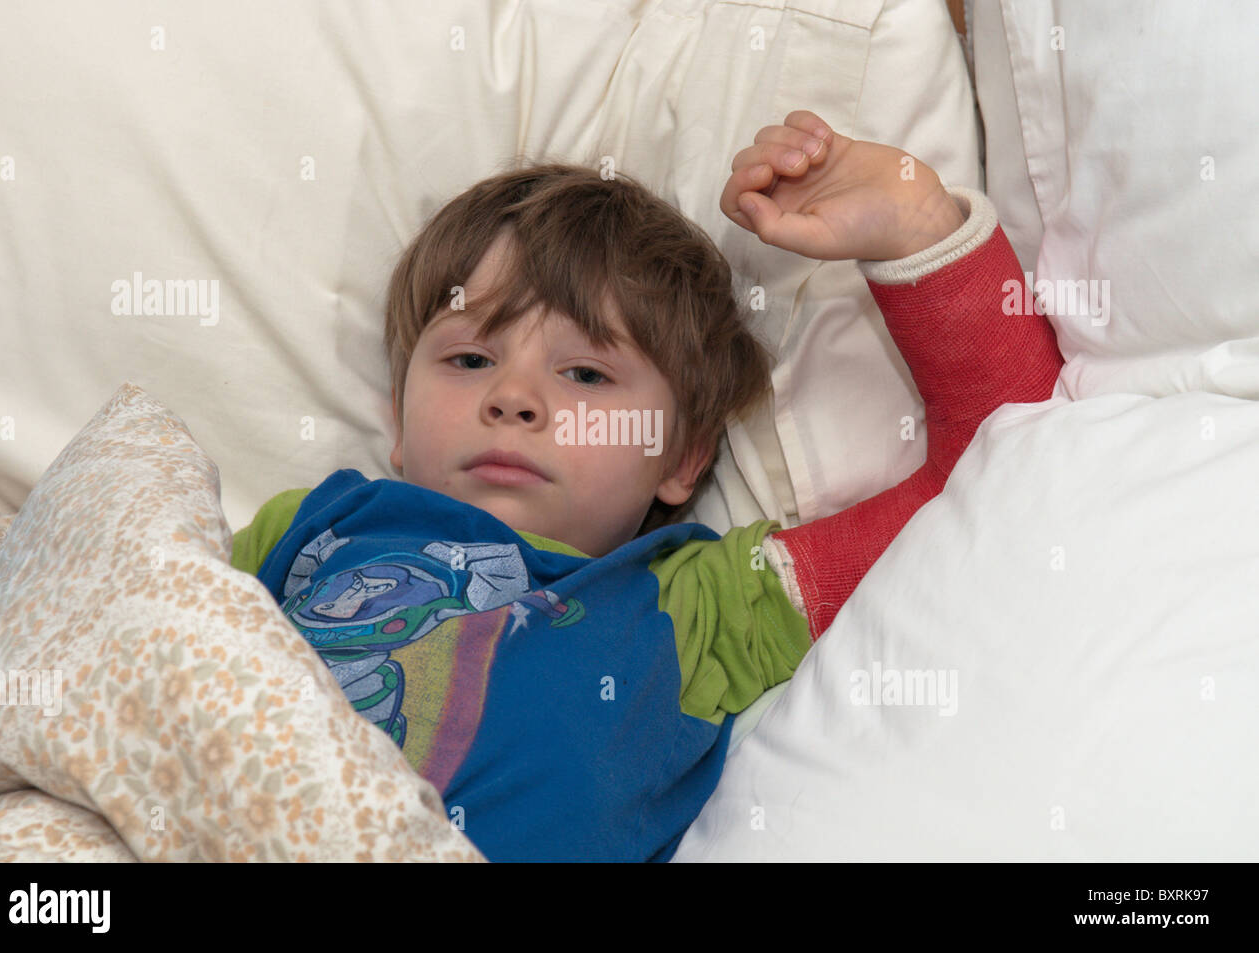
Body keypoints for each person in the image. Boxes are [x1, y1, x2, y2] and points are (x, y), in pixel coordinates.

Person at [230, 109, 1064, 861]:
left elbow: (1005, 461)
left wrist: (914, 223)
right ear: (398, 419)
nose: (512, 396)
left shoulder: (701, 608)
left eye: (586, 373)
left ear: (682, 459)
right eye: (470, 358)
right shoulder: (313, 525)